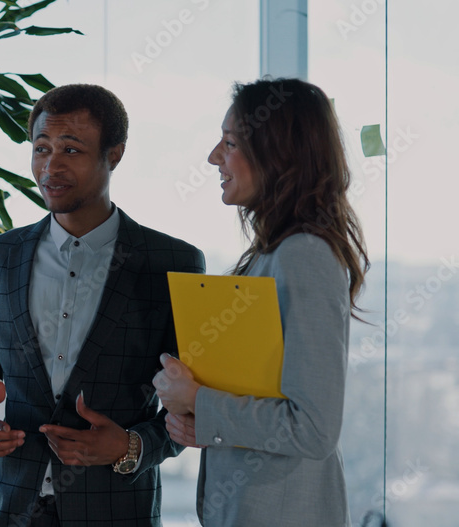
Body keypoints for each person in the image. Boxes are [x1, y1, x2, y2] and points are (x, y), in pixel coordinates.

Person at [0, 84, 205, 526]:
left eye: (71, 149)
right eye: (41, 148)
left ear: (115, 154)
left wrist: (129, 446)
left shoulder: (173, 263)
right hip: (9, 514)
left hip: (117, 514)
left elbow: (191, 409)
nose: (51, 166)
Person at [153, 78, 369, 526]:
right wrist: (200, 416)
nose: (214, 157)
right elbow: (267, 394)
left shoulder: (304, 255)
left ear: (277, 156)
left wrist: (199, 399)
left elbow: (312, 429)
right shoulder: (274, 253)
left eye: (229, 143)